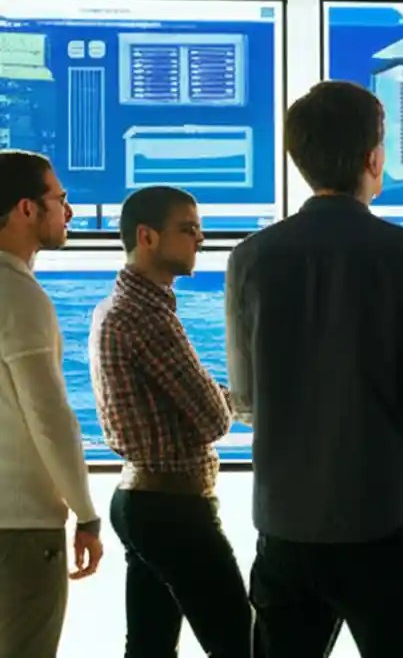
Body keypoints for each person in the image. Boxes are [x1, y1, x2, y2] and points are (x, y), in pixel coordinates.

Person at [225, 81, 403, 656]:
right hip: (385, 527)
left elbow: (248, 398)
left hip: (284, 527)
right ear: (373, 158)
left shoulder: (250, 258)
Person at [89, 186, 251, 656]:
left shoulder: (117, 308)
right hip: (173, 509)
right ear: (147, 236)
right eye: (188, 229)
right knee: (240, 643)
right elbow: (211, 418)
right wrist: (239, 405)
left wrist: (232, 401)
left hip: (142, 502)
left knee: (149, 647)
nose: (200, 239)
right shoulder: (147, 317)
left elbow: (205, 400)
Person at [0, 149, 102, 657]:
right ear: (25, 209)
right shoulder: (18, 296)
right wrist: (85, 513)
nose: (69, 211)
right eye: (59, 199)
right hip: (19, 528)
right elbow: (49, 416)